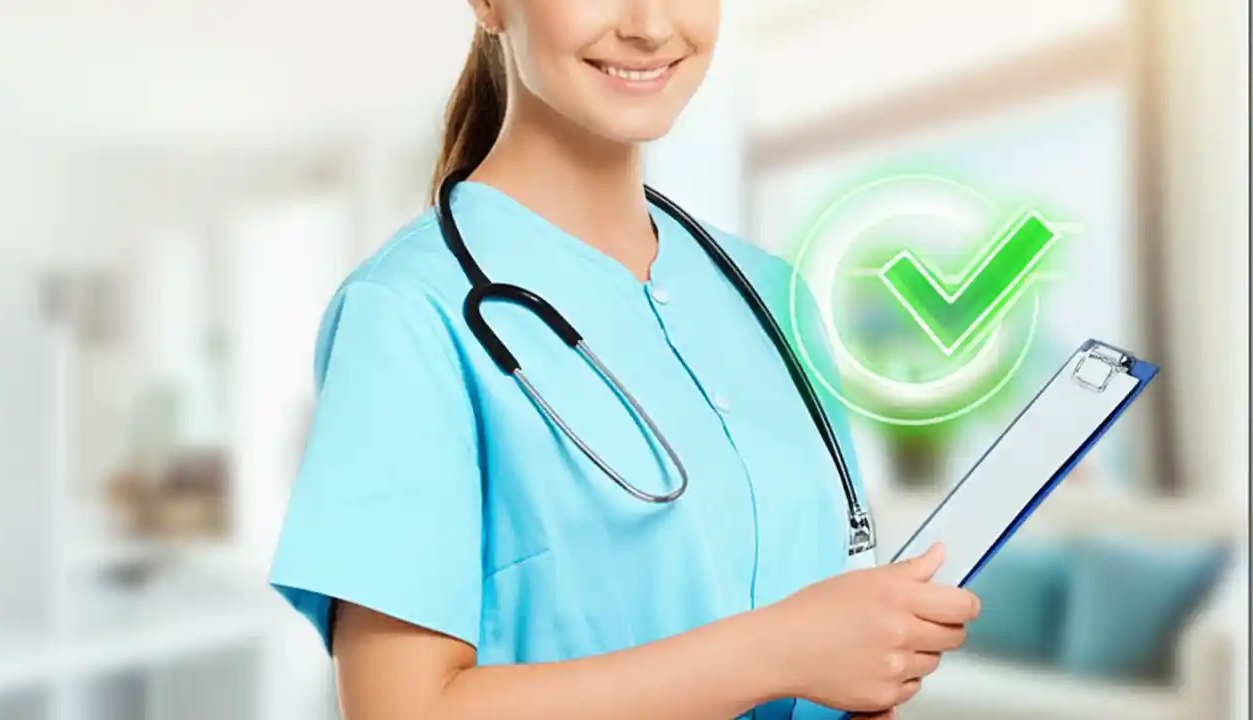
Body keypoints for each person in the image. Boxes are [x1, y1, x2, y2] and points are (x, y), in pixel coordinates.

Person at [267, 2, 980, 718]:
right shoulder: (407, 314)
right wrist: (779, 653)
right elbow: (403, 711)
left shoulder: (771, 294)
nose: (649, 23)